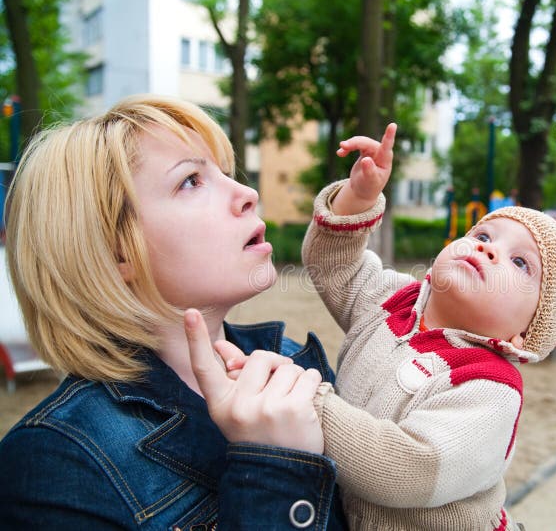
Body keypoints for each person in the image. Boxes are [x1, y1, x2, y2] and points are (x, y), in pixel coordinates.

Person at [0, 95, 347, 530]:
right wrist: (274, 468)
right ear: (116, 251)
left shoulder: (292, 360)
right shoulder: (55, 463)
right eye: (191, 181)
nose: (247, 194)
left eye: (224, 172)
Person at [224, 124, 556, 530]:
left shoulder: (489, 389)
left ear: (524, 335)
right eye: (483, 234)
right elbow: (334, 265)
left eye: (520, 262)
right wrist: (357, 198)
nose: (487, 248)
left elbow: (413, 468)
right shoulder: (394, 300)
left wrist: (306, 401)